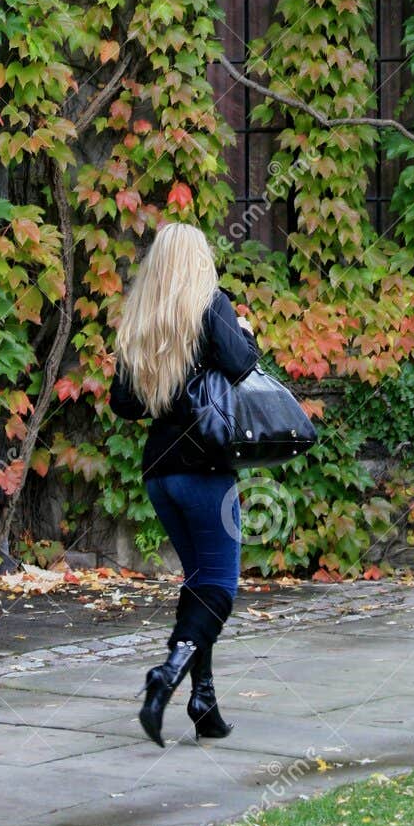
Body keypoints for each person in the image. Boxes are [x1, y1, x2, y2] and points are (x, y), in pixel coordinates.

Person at [110, 222, 257, 746]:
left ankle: (205, 704)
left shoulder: (144, 321)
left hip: (160, 472)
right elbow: (241, 366)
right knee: (220, 587)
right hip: (206, 468)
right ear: (200, 261)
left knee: (198, 581)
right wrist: (245, 332)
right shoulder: (210, 304)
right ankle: (165, 677)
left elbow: (124, 406)